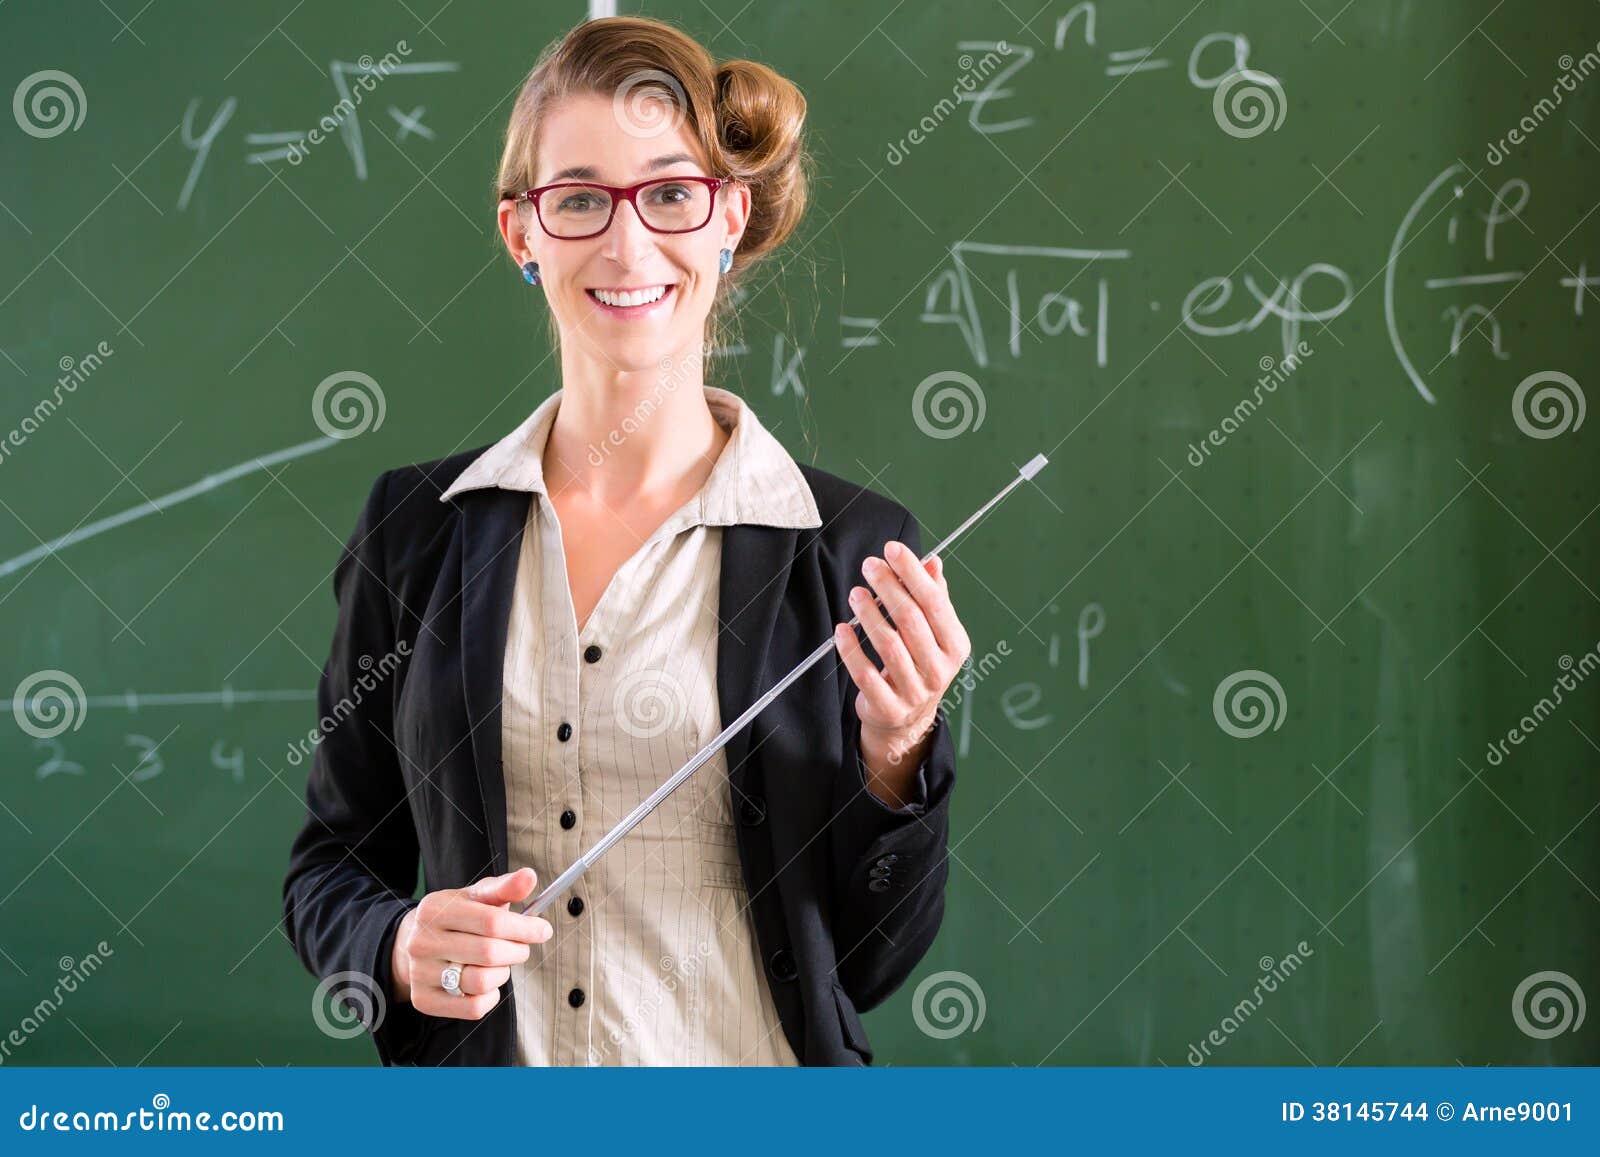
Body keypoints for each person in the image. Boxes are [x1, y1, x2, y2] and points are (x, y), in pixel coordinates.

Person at [282, 14, 970, 1066]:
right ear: (522, 233)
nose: (626, 242)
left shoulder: (849, 551)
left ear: (728, 214)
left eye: (669, 193)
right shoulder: (415, 531)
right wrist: (396, 943)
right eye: (578, 199)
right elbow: (331, 867)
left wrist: (897, 754)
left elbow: (870, 962)